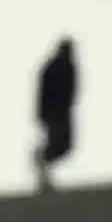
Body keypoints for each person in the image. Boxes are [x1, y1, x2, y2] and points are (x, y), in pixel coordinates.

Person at [34, 37, 77, 194]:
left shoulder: (67, 66)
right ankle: (42, 163)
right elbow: (44, 91)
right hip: (55, 112)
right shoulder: (54, 67)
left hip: (62, 112)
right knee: (58, 143)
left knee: (65, 145)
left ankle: (43, 162)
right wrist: (43, 112)